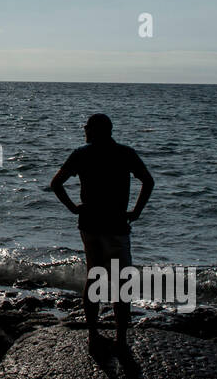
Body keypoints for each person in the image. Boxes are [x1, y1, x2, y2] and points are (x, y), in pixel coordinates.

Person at [49, 114, 154, 353]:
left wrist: (73, 207)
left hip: (89, 224)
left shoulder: (81, 153)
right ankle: (120, 338)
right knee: (121, 283)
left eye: (86, 127)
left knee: (94, 277)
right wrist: (136, 211)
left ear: (94, 131)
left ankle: (94, 334)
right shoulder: (125, 153)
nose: (84, 131)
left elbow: (56, 183)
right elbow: (148, 181)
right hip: (116, 224)